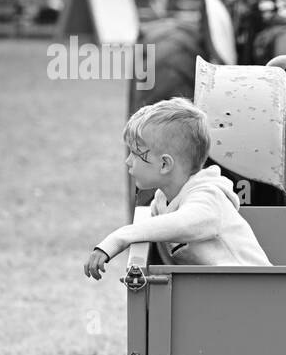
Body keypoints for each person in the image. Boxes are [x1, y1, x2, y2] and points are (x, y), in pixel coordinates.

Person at [84, 98, 270, 279]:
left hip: (258, 294)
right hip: (224, 296)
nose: (128, 161)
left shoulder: (208, 198)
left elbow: (183, 222)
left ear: (165, 164)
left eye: (135, 153)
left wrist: (120, 237)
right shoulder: (162, 199)